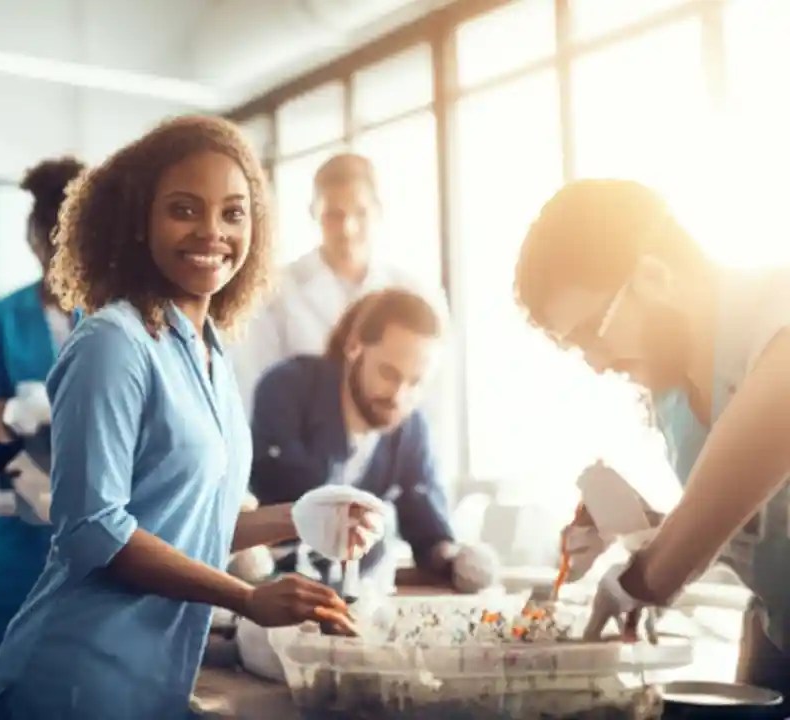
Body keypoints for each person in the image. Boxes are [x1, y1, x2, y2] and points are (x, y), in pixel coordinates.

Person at [0, 116, 383, 720]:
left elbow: (188, 520)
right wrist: (248, 598)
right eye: (185, 210)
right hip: (75, 677)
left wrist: (301, 517)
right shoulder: (113, 341)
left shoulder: (209, 348)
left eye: (233, 213)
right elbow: (93, 529)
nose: (212, 232)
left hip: (150, 681)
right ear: (138, 219)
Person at [515, 179, 790, 698]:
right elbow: (754, 522)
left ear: (653, 275)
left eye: (592, 332)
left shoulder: (778, 308)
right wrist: (642, 529)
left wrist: (645, 577)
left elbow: (770, 431)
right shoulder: (674, 392)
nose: (596, 362)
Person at [250, 289, 495, 594]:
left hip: (346, 593)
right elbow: (272, 493)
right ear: (354, 347)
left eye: (415, 382)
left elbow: (427, 527)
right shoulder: (289, 388)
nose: (398, 396)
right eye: (388, 373)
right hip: (260, 581)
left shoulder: (411, 430)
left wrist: (456, 560)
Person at [0, 156, 85, 712]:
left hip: (91, 524)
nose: (50, 255)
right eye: (41, 240)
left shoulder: (114, 316)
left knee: (77, 676)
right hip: (19, 526)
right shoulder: (4, 314)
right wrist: (28, 479)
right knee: (0, 674)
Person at [233, 152, 435, 411]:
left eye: (360, 213)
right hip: (300, 443)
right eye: (334, 215)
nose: (347, 228)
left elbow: (429, 395)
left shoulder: (411, 291)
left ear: (379, 210)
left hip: (393, 447)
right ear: (313, 213)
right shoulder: (277, 293)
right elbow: (258, 388)